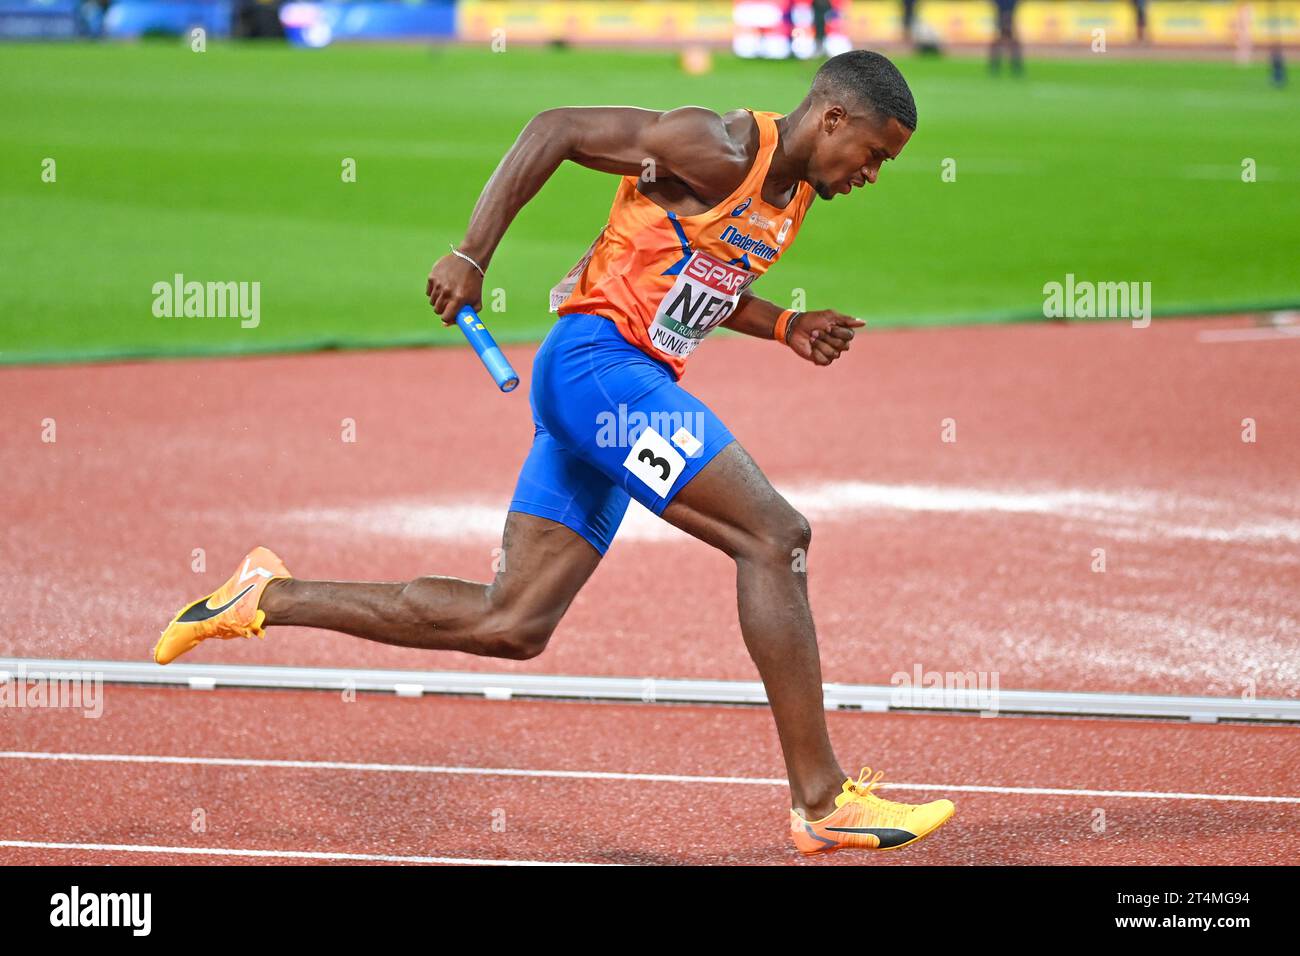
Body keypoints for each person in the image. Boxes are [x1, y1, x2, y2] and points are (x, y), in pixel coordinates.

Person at [155, 50, 955, 857]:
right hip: (599, 372)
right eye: (876, 155)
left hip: (605, 387)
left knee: (513, 621)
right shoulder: (719, 148)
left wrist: (785, 324)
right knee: (774, 538)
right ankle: (821, 801)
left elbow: (698, 277)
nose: (873, 174)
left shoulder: (789, 197)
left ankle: (265, 597)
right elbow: (558, 129)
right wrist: (472, 253)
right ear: (832, 119)